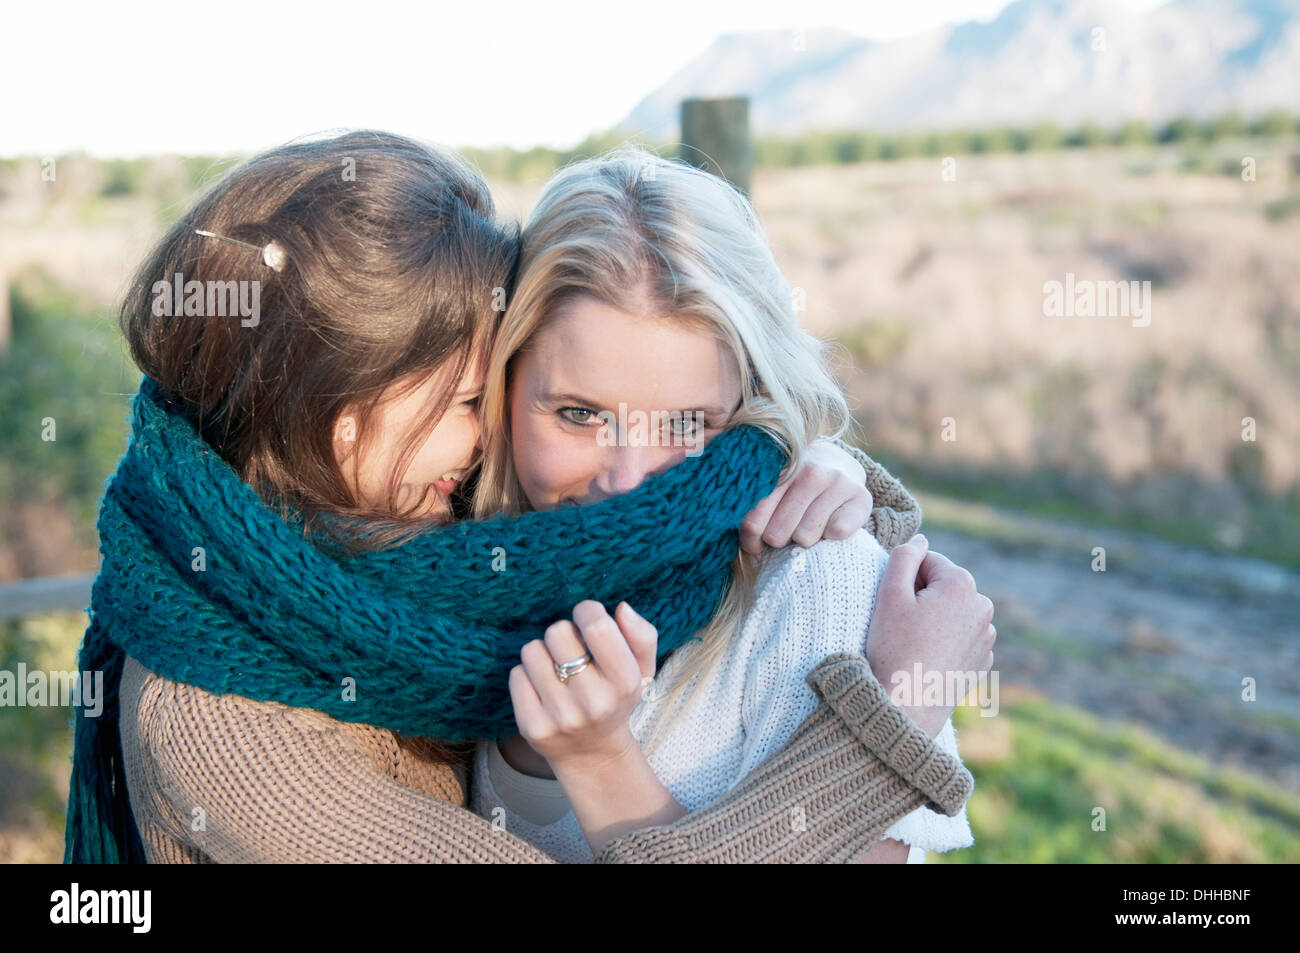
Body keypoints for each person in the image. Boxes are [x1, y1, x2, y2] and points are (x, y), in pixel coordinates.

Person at [73, 130, 988, 865]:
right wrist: (892, 720)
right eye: (472, 401)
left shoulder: (426, 552)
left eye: (689, 424)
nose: (627, 486)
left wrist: (816, 464)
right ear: (331, 419)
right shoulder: (224, 729)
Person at [467, 146, 995, 863]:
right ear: (504, 387)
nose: (628, 481)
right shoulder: (461, 567)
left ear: (750, 402)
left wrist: (600, 762)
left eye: (686, 424)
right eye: (579, 413)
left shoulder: (818, 582)